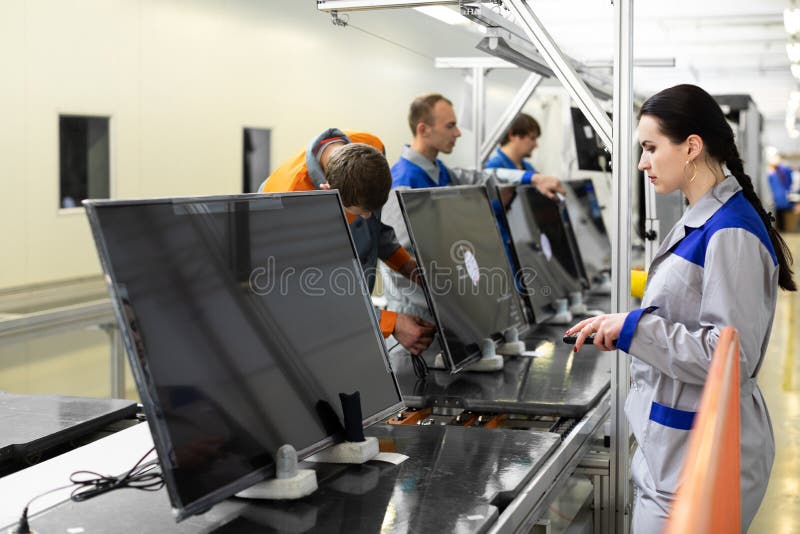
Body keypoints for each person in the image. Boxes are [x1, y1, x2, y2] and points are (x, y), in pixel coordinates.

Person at [565, 84, 795, 532]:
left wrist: (634, 329)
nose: (642, 162)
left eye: (650, 147)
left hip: (700, 455)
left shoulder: (730, 231)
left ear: (691, 146)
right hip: (678, 447)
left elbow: (731, 356)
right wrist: (628, 328)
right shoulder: (704, 218)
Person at [381, 94, 565, 321]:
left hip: (445, 310)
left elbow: (483, 179)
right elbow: (400, 259)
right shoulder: (401, 182)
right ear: (423, 129)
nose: (457, 133)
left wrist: (533, 178)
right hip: (417, 316)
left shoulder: (443, 173)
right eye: (450, 126)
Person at [260, 128, 435, 355]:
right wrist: (390, 323)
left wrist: (408, 267)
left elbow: (374, 230)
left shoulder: (372, 149)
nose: (367, 217)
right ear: (326, 192)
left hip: (355, 317)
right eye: (359, 212)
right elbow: (310, 293)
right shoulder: (289, 201)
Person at [767, 154, 797, 231]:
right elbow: (789, 182)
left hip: (780, 196)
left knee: (780, 213)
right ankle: (783, 228)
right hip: (782, 196)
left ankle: (782, 228)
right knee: (781, 213)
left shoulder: (774, 173)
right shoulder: (781, 171)